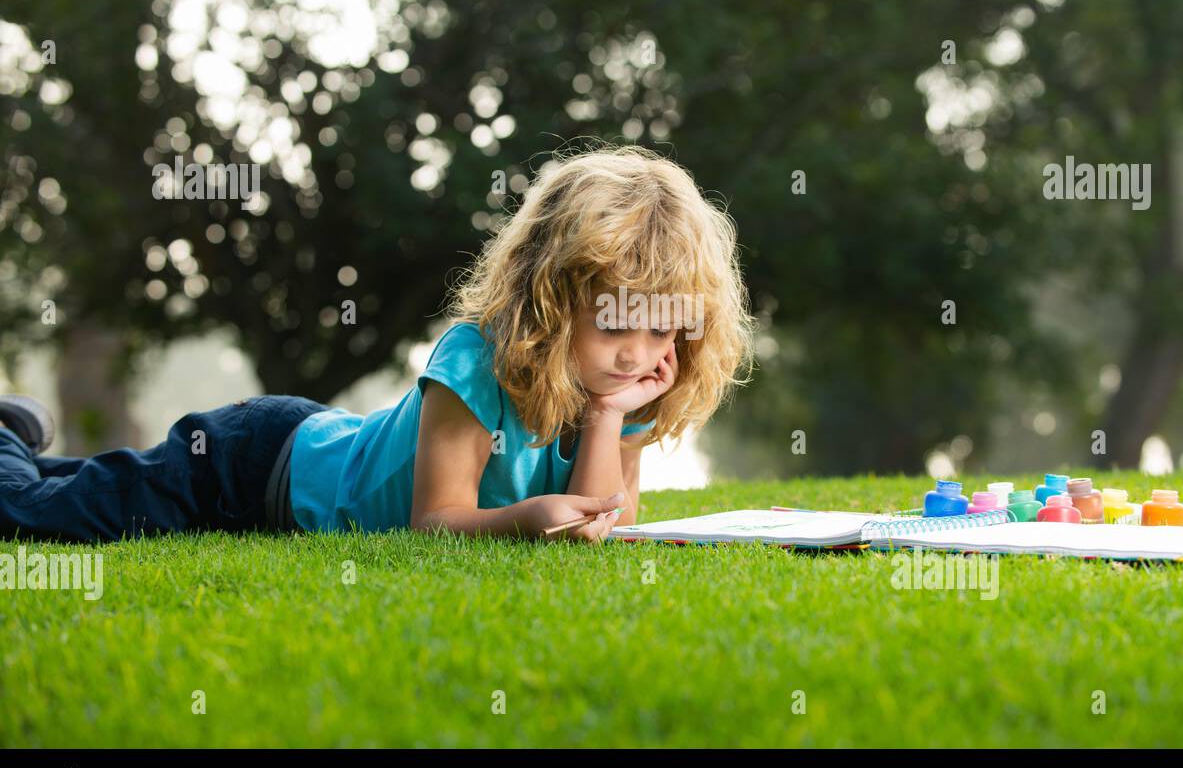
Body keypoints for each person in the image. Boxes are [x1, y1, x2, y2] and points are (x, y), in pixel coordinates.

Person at [0, 145, 756, 544]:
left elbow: (605, 526)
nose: (636, 354)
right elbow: (437, 523)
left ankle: (26, 449)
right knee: (38, 518)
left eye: (659, 327)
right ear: (552, 298)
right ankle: (9, 436)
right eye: (614, 323)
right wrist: (524, 521)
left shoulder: (622, 395)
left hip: (281, 466)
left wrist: (604, 420)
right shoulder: (475, 362)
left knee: (83, 486)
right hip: (252, 465)